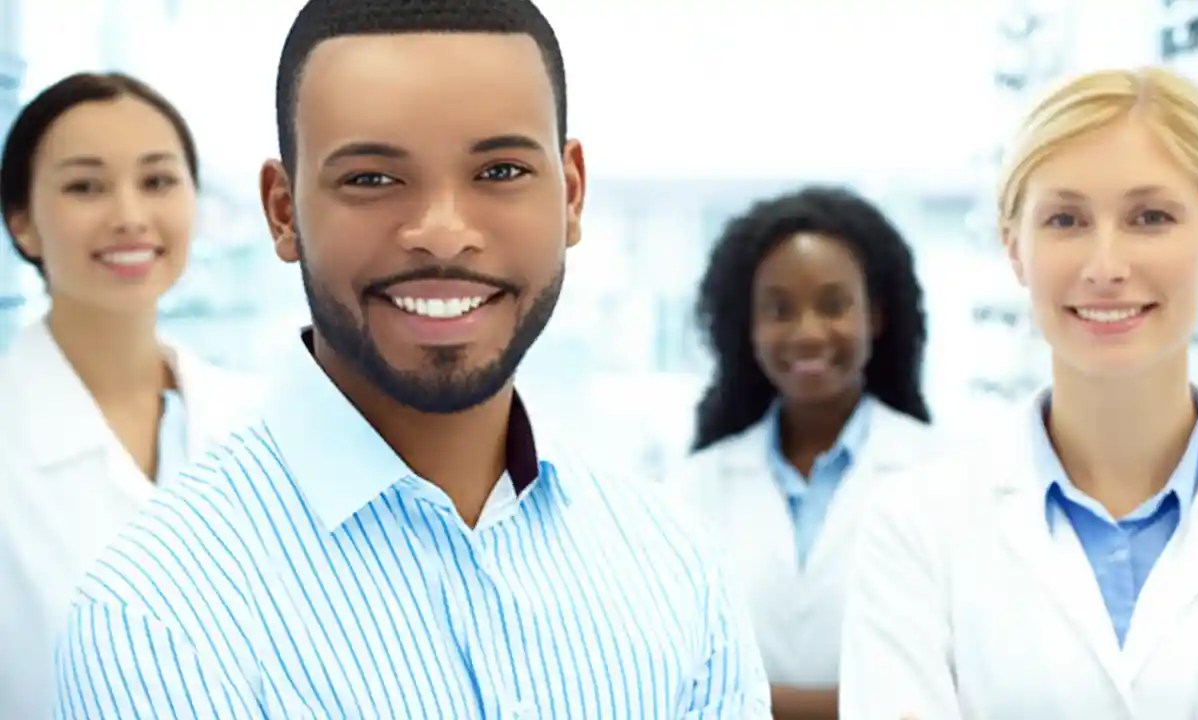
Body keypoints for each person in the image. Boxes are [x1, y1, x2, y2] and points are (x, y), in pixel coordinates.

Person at [51, 1, 771, 718]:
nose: (444, 234)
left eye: (500, 171)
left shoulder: (675, 566)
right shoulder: (159, 616)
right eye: (371, 179)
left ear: (572, 193)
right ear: (282, 211)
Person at [839, 67, 1198, 719]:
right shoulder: (916, 527)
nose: (1105, 266)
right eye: (1066, 219)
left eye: (1150, 217)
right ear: (1013, 243)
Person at [0, 72, 256, 720]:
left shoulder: (260, 426)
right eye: (85, 186)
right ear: (22, 223)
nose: (130, 216)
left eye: (158, 181)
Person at [666, 186, 935, 719]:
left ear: (876, 316)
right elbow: (676, 680)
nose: (808, 333)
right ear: (747, 327)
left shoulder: (944, 473)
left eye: (834, 305)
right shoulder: (691, 488)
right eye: (779, 310)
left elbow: (954, 683)